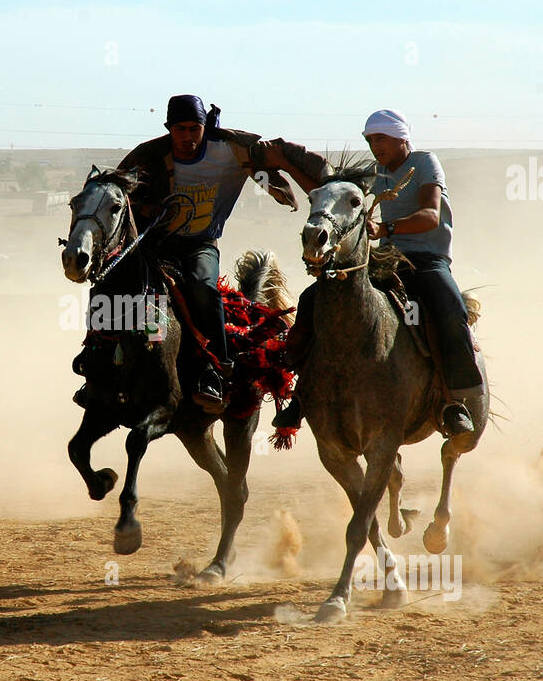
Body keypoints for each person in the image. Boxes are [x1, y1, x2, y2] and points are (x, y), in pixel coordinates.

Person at [114, 94, 332, 413]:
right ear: (168, 129)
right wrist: (145, 207)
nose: (187, 136)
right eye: (180, 129)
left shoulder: (231, 150)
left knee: (203, 288)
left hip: (200, 244)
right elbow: (115, 193)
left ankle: (217, 367)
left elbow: (284, 154)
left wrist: (328, 188)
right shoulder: (147, 155)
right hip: (154, 244)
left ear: (205, 127)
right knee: (119, 287)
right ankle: (104, 367)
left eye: (194, 128)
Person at [273, 109, 484, 437]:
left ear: (402, 138)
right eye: (370, 140)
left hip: (427, 259)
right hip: (385, 258)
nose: (375, 146)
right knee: (314, 298)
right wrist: (286, 164)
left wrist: (384, 227)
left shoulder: (425, 164)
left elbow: (430, 215)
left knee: (449, 309)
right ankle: (303, 393)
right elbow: (327, 190)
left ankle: (453, 399)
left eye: (380, 139)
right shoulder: (375, 172)